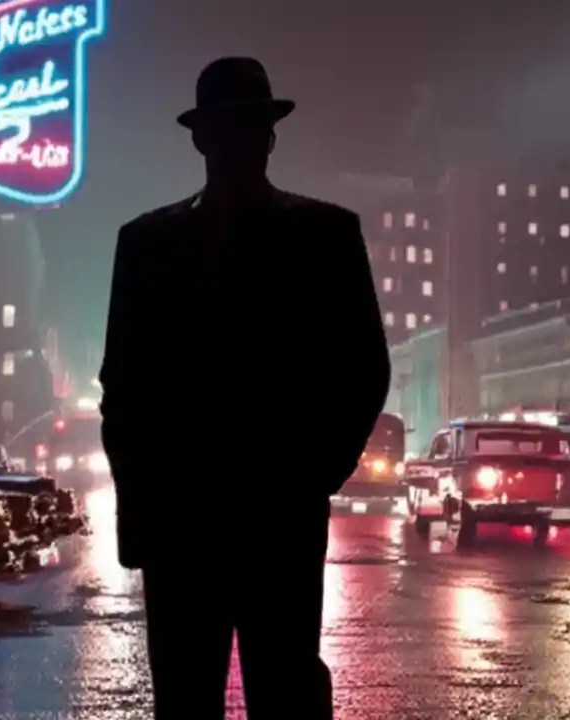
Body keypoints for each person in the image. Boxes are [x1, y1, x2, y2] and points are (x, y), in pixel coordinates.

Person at [98, 57, 390, 719]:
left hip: (239, 514)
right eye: (229, 127)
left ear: (266, 136)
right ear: (205, 138)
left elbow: (365, 368)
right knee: (217, 693)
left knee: (254, 691)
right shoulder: (151, 242)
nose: (237, 142)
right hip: (232, 516)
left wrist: (315, 474)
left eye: (246, 127)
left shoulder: (153, 242)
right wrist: (314, 474)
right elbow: (123, 386)